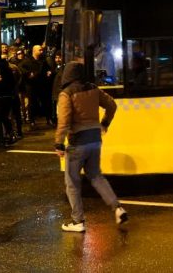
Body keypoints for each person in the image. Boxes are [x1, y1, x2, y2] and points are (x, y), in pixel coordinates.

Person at [54, 62, 128, 232]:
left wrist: (59, 142)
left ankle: (78, 221)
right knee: (96, 176)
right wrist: (105, 123)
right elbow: (112, 105)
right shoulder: (94, 89)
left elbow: (64, 120)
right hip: (95, 139)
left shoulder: (66, 94)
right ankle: (118, 208)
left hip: (78, 142)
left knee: (72, 182)